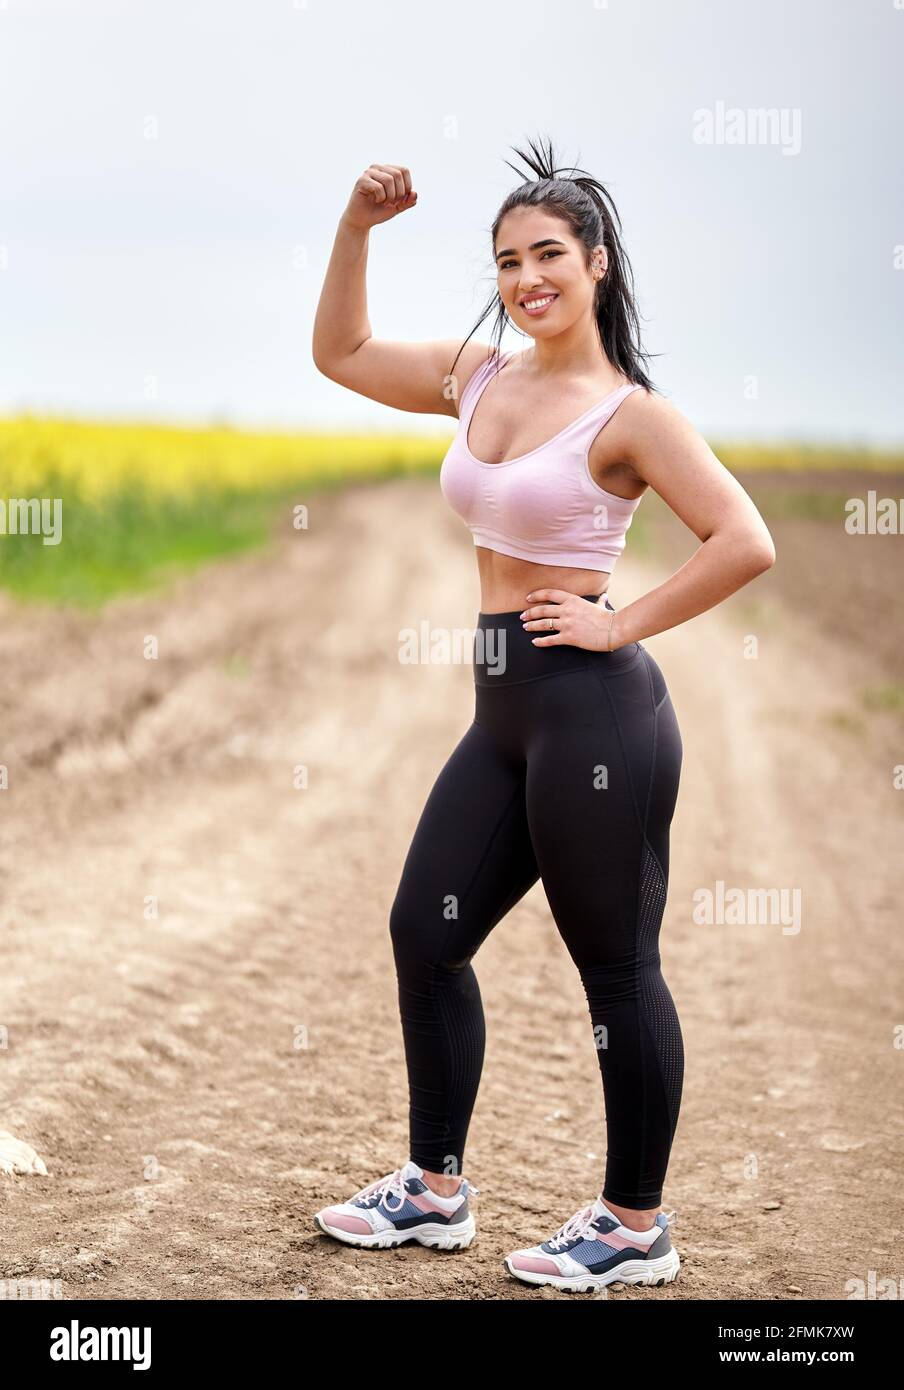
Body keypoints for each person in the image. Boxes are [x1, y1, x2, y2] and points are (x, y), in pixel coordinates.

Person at [310, 136, 775, 1293]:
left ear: (596, 263)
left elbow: (744, 539)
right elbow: (341, 352)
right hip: (502, 711)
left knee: (614, 969)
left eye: (549, 255)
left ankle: (633, 1222)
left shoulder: (630, 415)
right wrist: (356, 228)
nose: (527, 278)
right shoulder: (479, 377)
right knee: (425, 932)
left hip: (594, 717)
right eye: (509, 259)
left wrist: (620, 625)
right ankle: (434, 1187)